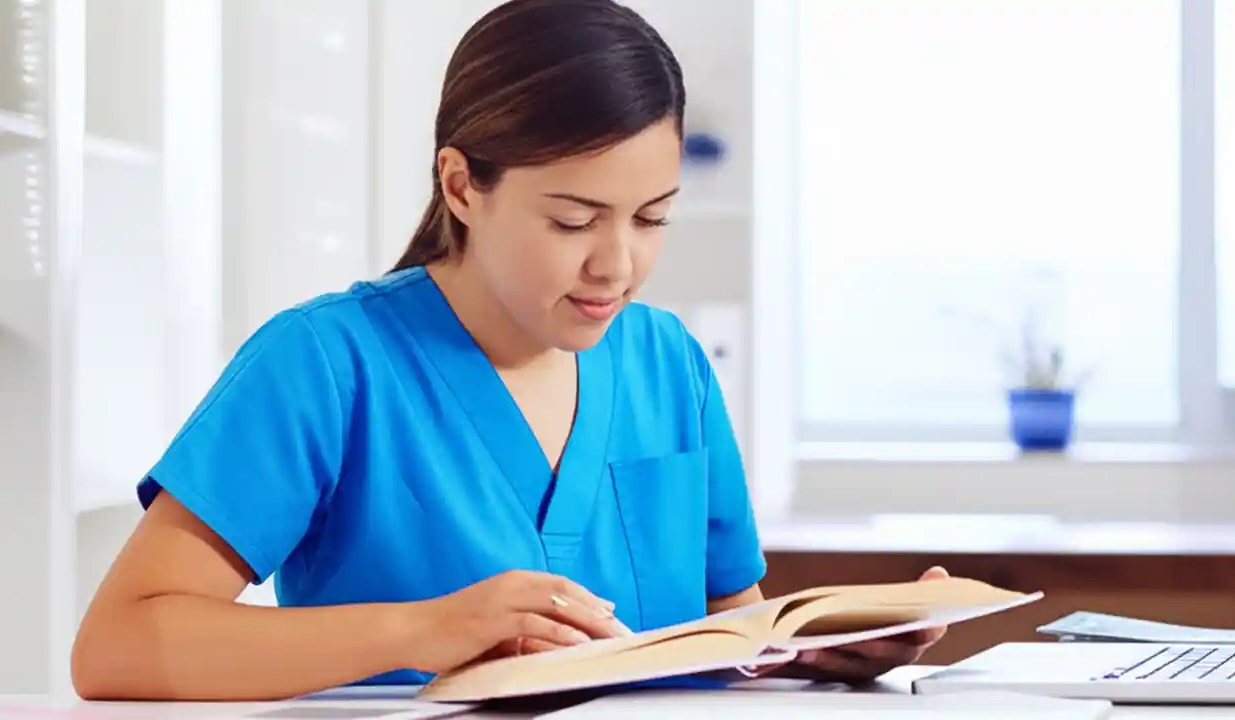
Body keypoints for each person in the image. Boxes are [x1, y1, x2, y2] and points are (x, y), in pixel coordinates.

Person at [71, 0, 945, 701]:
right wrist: (426, 630)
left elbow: (728, 629)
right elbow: (116, 646)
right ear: (461, 185)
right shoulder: (326, 365)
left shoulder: (668, 363)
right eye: (573, 220)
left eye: (652, 218)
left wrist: (814, 655)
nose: (619, 265)